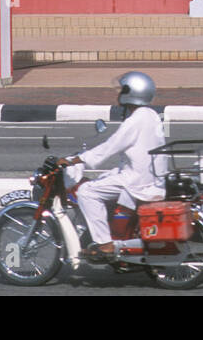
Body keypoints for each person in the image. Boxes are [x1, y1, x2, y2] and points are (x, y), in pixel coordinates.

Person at [58, 71, 169, 259]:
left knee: (87, 192)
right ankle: (115, 228)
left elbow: (110, 147)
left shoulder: (134, 121)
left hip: (137, 179)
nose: (117, 94)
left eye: (121, 90)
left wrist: (75, 160)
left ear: (130, 93)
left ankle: (105, 244)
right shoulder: (150, 115)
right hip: (150, 176)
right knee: (103, 178)